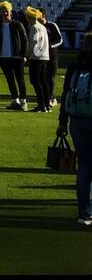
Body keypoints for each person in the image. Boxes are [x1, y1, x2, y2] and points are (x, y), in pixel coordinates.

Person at [56, 34, 92, 227]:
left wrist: (62, 121)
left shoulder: (75, 65)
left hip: (77, 121)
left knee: (84, 166)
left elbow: (65, 94)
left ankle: (84, 213)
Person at [0, 2, 30, 110]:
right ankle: (15, 100)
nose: (5, 13)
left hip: (17, 57)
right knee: (10, 79)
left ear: (11, 12)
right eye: (3, 11)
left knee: (20, 79)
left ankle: (23, 102)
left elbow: (25, 40)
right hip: (3, 57)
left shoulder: (17, 24)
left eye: (6, 11)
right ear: (0, 13)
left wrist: (24, 55)